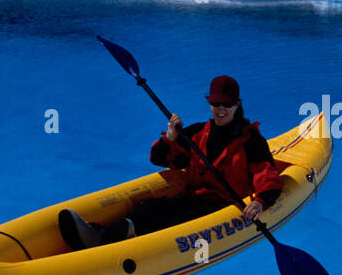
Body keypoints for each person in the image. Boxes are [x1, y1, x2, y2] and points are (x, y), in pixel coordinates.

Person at [58, 75, 284, 250]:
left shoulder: (251, 141)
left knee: (179, 222)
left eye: (226, 103)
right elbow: (158, 159)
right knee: (149, 208)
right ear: (210, 103)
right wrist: (170, 138)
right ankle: (101, 235)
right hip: (193, 197)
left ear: (237, 104)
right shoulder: (197, 133)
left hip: (223, 208)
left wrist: (260, 202)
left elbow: (267, 175)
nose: (220, 109)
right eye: (216, 103)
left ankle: (112, 244)